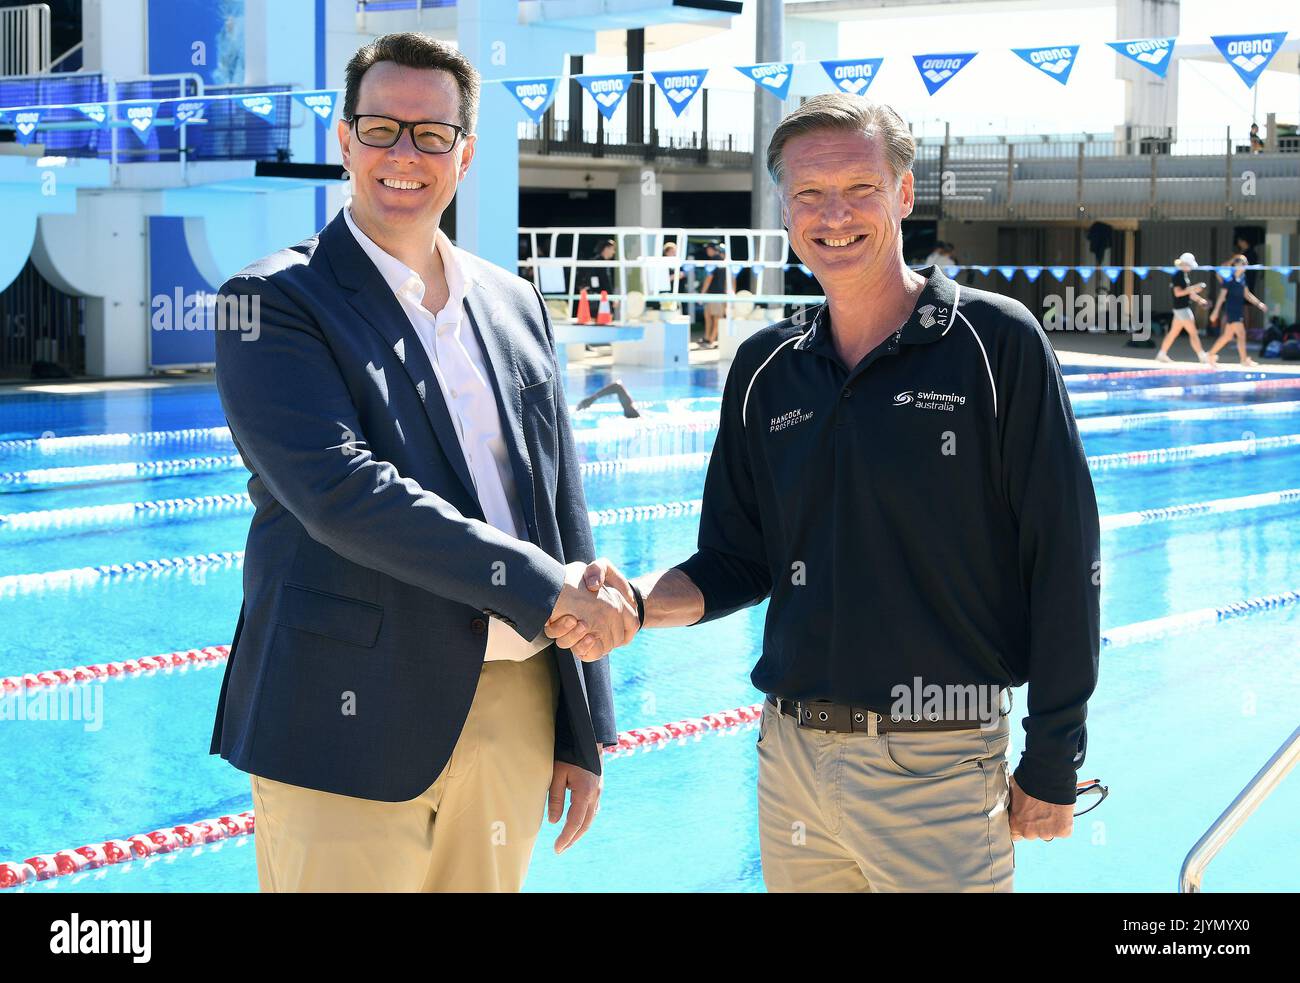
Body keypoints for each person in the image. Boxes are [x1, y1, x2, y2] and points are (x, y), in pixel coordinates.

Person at [550, 92, 1100, 892]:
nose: (833, 214)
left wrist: (1054, 755)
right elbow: (738, 559)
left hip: (938, 758)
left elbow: (1064, 556)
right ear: (783, 208)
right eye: (809, 193)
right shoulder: (768, 367)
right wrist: (634, 601)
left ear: (904, 195)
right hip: (790, 762)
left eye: (860, 188)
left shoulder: (995, 342)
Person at [208, 32, 637, 893]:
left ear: (466, 154)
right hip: (346, 705)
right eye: (381, 128)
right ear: (343, 139)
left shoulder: (513, 303)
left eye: (431, 134)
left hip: (515, 709)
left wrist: (582, 723)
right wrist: (545, 590)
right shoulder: (273, 302)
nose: (404, 154)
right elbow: (340, 490)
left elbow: (559, 502)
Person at [1206, 254, 1268, 368]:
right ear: (1235, 265)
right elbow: (1221, 296)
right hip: (1231, 310)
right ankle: (1244, 360)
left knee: (1227, 336)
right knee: (1241, 334)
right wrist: (1215, 312)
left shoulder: (1243, 278)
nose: (1245, 265)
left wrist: (1259, 303)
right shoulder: (1229, 278)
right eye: (1242, 263)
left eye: (1246, 263)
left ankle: (1210, 354)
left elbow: (1247, 294)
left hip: (1238, 310)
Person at [1156, 252, 1210, 363]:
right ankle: (1202, 356)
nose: (1191, 267)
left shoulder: (1182, 275)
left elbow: (1187, 292)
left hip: (1180, 309)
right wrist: (1195, 288)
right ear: (1185, 263)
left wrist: (1199, 300)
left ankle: (1162, 354)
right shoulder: (1178, 275)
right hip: (1182, 309)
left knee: (1173, 333)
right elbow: (1178, 293)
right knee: (1193, 333)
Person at [699, 241, 731, 349]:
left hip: (715, 293)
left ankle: (710, 340)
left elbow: (709, 278)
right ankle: (707, 338)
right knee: (709, 317)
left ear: (713, 249)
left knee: (716, 318)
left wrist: (702, 293)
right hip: (716, 293)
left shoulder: (715, 260)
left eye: (708, 248)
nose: (707, 250)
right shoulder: (721, 261)